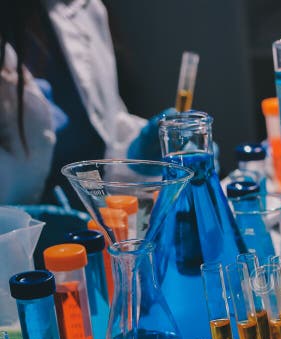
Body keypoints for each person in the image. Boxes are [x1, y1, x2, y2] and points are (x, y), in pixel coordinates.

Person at [0, 0, 165, 207]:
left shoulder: (85, 9)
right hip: (20, 234)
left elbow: (105, 130)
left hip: (94, 218)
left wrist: (135, 155)